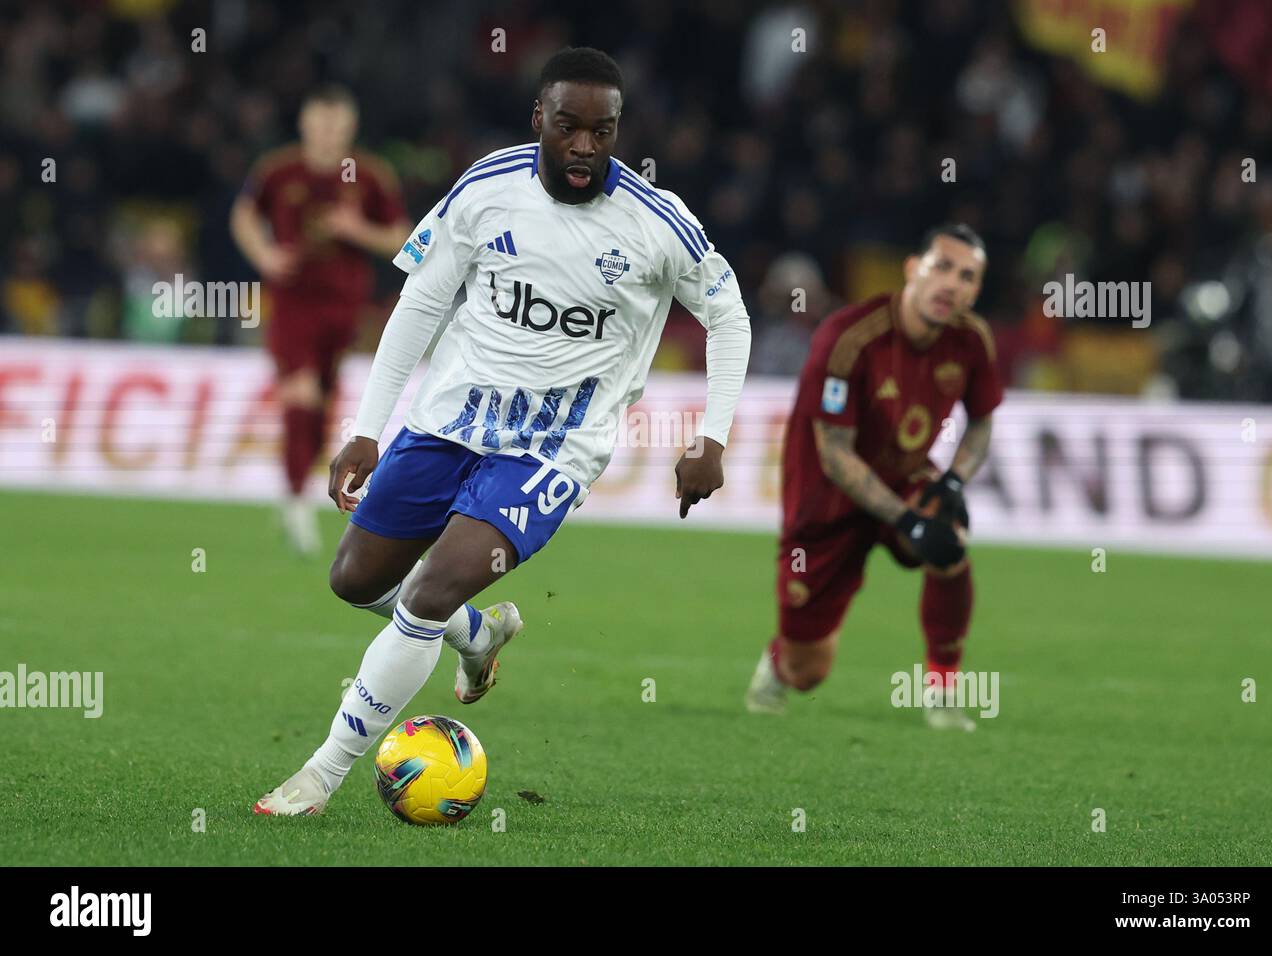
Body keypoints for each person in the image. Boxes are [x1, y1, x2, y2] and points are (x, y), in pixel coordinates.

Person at [254, 48, 752, 815]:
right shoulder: (486, 188)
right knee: (355, 580)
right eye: (569, 127)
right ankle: (477, 635)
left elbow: (730, 315)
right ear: (539, 121)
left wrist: (711, 438)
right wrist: (365, 428)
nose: (586, 146)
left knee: (424, 594)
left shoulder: (657, 222)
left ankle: (320, 774)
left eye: (604, 130)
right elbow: (420, 303)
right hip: (447, 423)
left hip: (553, 449)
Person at [745, 224, 1001, 731]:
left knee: (947, 544)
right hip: (825, 498)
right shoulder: (849, 336)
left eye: (967, 276)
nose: (952, 284)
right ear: (913, 269)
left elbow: (983, 422)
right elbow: (836, 455)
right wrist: (908, 519)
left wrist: (952, 483)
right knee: (808, 672)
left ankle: (943, 689)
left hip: (906, 476)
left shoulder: (971, 340)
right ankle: (779, 662)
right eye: (942, 268)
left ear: (976, 289)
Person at [231, 85, 411, 554]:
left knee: (323, 403)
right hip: (292, 304)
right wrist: (265, 256)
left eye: (338, 125)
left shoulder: (369, 175)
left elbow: (402, 238)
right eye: (321, 123)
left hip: (344, 308)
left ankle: (296, 492)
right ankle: (294, 504)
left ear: (349, 128)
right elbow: (243, 216)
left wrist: (357, 230)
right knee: (301, 395)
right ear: (305, 124)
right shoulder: (279, 169)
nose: (329, 133)